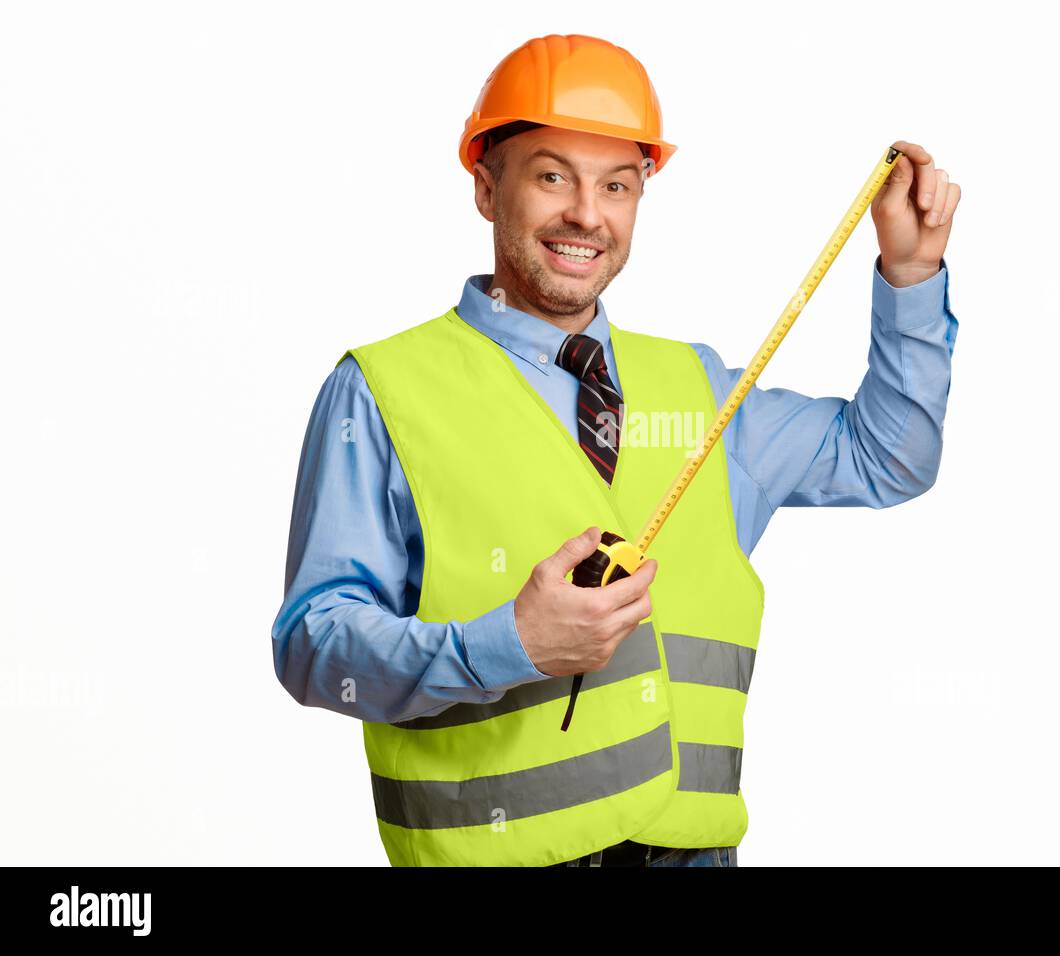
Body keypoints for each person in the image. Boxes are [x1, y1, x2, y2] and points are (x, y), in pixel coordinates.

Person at [272, 33, 961, 867]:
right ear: (487, 189)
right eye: (552, 175)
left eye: (618, 185)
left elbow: (891, 458)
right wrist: (505, 646)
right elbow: (313, 649)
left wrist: (912, 275)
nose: (586, 215)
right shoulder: (382, 393)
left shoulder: (703, 396)